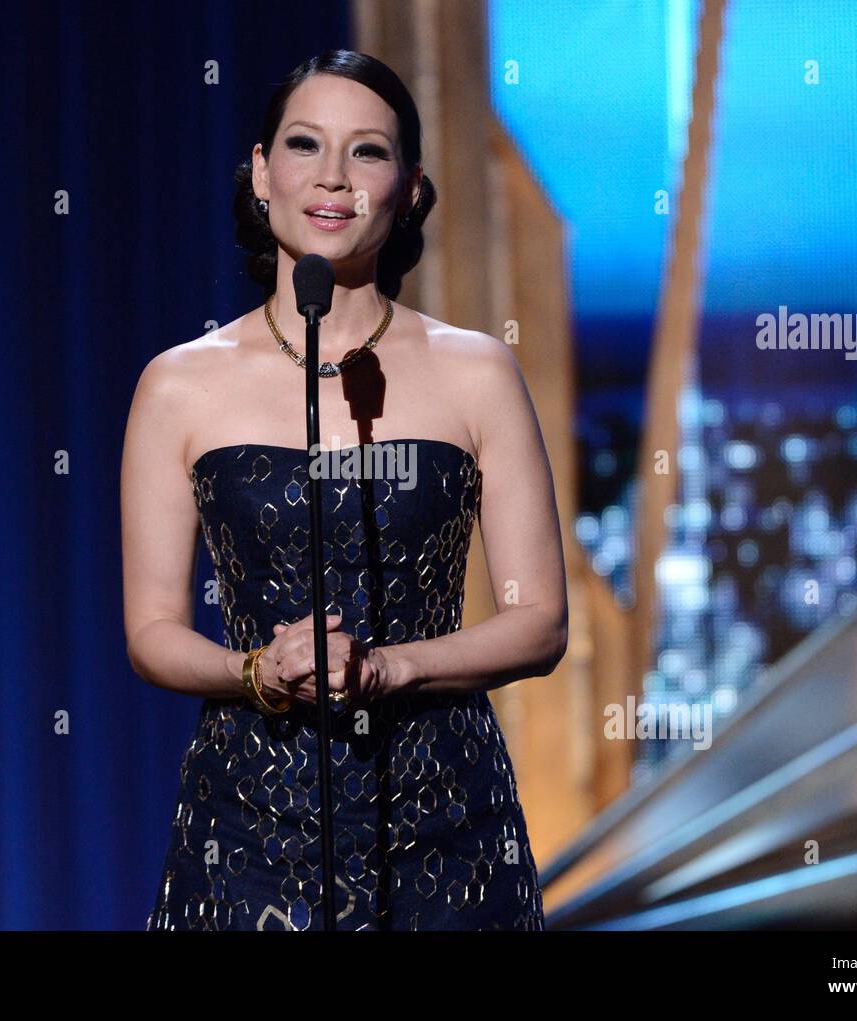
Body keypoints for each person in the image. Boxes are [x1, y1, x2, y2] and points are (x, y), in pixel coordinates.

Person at [121, 49, 567, 930]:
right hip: (248, 829)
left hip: (447, 821)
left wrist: (394, 666)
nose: (333, 178)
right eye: (303, 145)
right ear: (260, 171)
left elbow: (541, 620)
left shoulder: (477, 371)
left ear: (408, 187)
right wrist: (255, 670)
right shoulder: (178, 384)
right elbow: (152, 633)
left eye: (367, 152)